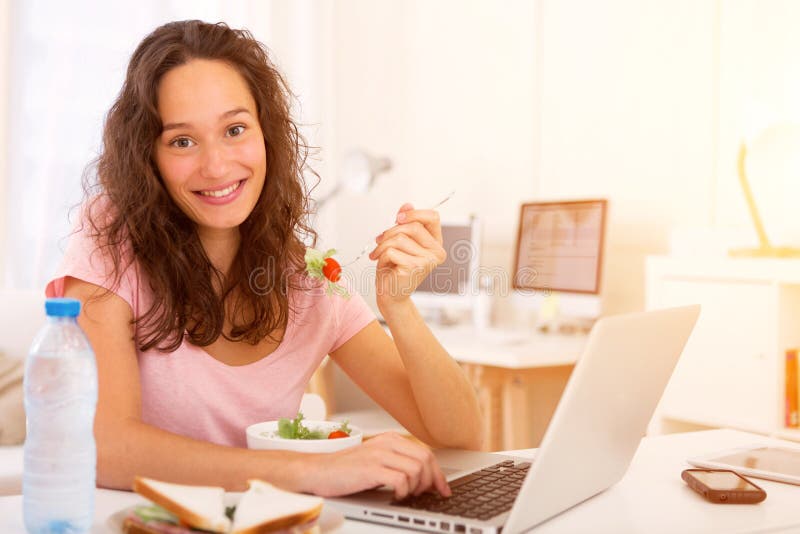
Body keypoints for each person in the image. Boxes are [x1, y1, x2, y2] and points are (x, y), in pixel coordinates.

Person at [46, 20, 483, 500]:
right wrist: (311, 470)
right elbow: (105, 449)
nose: (216, 166)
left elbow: (459, 435)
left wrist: (398, 307)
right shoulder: (111, 237)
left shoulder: (310, 280)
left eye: (235, 130)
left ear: (266, 134)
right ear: (148, 155)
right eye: (182, 141)